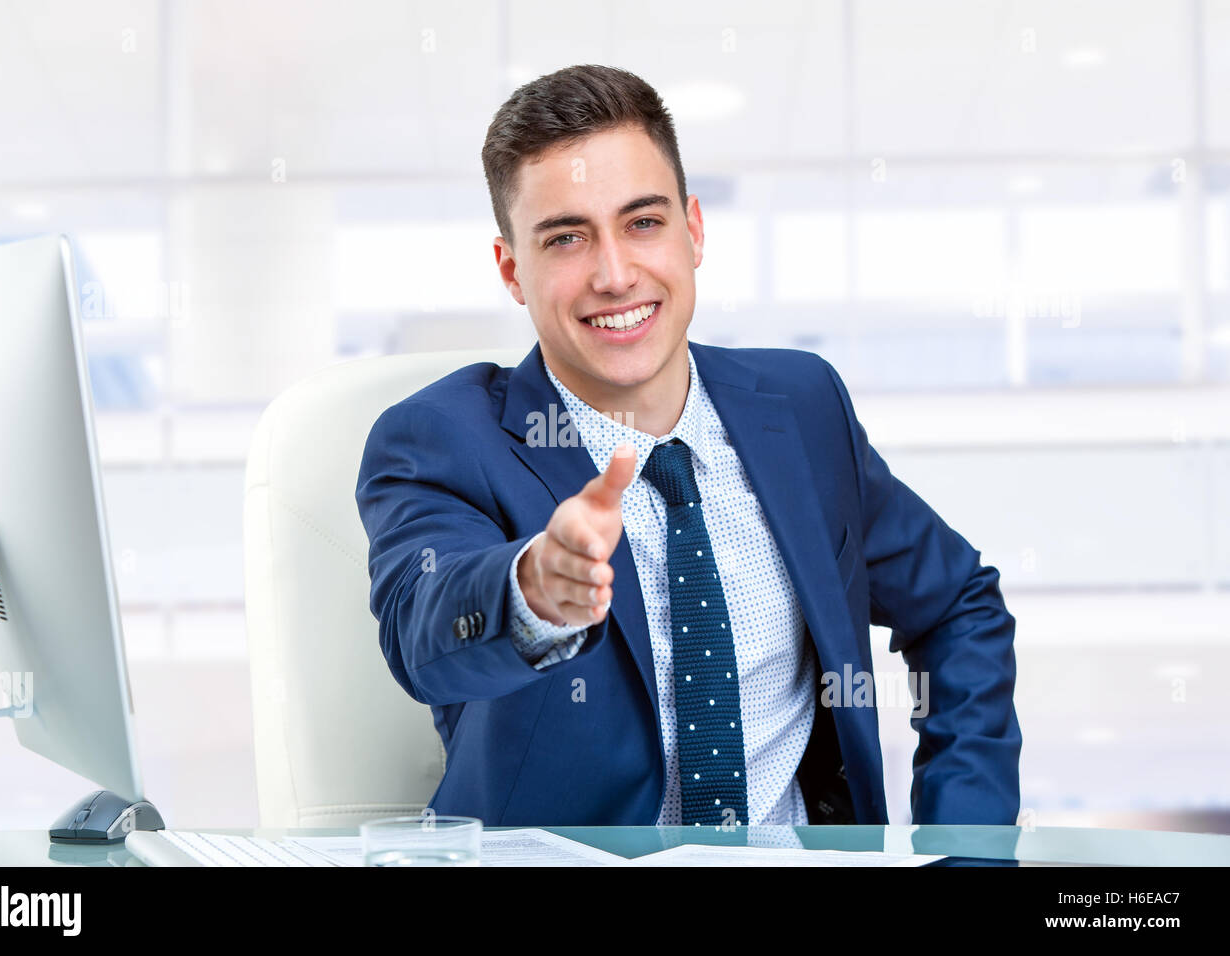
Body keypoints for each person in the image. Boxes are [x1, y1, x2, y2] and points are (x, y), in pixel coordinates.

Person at [356, 64, 1021, 827]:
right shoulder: (442, 439)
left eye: (643, 223)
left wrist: (967, 839)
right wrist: (533, 588)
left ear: (693, 229)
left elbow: (959, 605)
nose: (615, 274)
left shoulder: (802, 409)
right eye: (567, 238)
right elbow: (423, 632)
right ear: (513, 270)